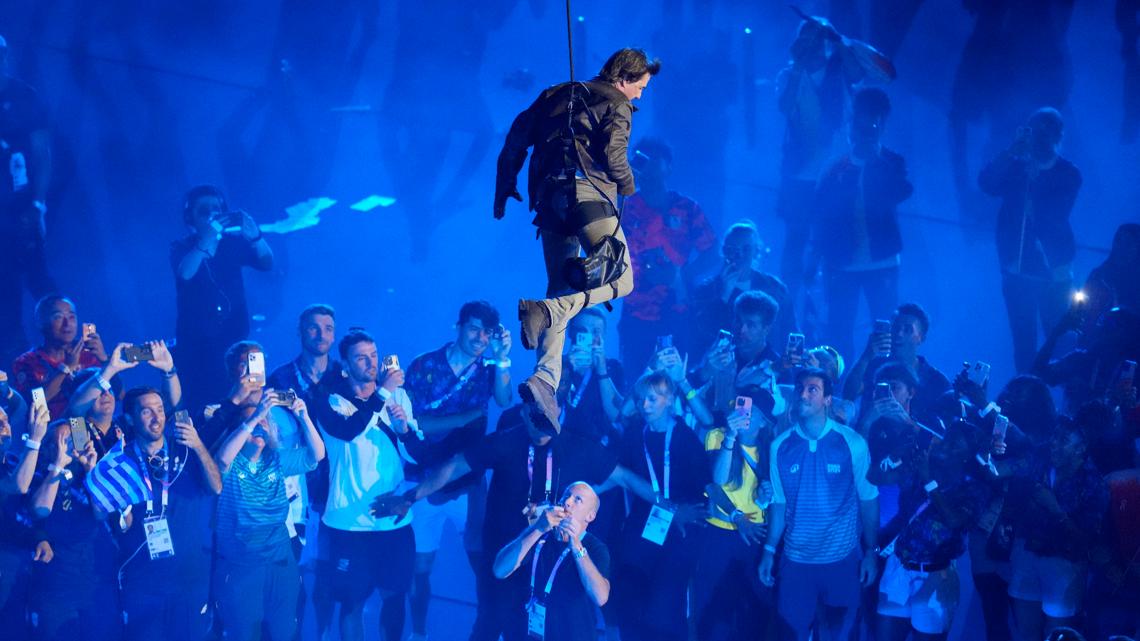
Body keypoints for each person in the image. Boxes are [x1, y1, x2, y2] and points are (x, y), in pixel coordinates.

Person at [372, 402, 655, 641]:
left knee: (556, 620)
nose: (542, 422)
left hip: (551, 557)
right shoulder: (507, 441)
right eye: (535, 415)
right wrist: (410, 497)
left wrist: (671, 508)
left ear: (558, 410)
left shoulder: (576, 446)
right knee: (491, 620)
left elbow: (625, 478)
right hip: (508, 548)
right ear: (523, 413)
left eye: (548, 414)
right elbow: (456, 465)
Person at [495, 47, 660, 435]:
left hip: (550, 202)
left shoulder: (556, 93)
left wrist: (504, 184)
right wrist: (632, 187)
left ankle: (544, 380)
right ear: (623, 78)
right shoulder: (617, 102)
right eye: (640, 86)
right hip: (588, 198)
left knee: (558, 290)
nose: (640, 95)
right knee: (624, 281)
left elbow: (517, 136)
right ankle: (585, 277)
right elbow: (615, 158)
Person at [402, 301, 512, 641]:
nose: (480, 338)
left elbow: (505, 399)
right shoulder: (425, 365)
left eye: (487, 333)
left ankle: (487, 629)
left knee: (481, 559)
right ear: (459, 326)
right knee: (421, 567)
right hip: (425, 476)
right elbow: (414, 421)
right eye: (474, 329)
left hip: (468, 481)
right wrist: (464, 419)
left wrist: (503, 356)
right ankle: (418, 633)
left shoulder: (489, 368)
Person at [308, 329, 422, 641]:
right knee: (351, 601)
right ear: (344, 365)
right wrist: (383, 392)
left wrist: (405, 432)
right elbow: (348, 432)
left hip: (393, 519)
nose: (371, 363)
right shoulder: (328, 401)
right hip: (349, 523)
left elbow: (415, 455)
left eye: (373, 355)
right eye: (361, 357)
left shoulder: (398, 395)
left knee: (395, 596)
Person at [84, 387, 222, 641]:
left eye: (160, 410)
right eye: (147, 411)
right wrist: (117, 507)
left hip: (190, 578)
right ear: (129, 418)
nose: (157, 418)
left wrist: (199, 446)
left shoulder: (185, 450)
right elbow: (107, 518)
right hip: (143, 581)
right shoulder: (119, 461)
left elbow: (216, 486)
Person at [776, 14, 894, 302]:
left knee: (834, 239)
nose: (811, 44)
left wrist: (839, 40)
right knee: (796, 238)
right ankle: (784, 305)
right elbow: (785, 107)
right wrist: (798, 67)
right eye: (805, 37)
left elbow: (869, 73)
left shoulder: (840, 70)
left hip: (837, 171)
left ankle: (831, 306)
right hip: (801, 173)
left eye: (817, 38)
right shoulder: (789, 74)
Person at [759, 368, 879, 641]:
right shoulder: (780, 446)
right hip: (796, 563)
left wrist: (871, 550)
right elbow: (779, 504)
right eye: (800, 388)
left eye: (812, 389)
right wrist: (768, 549)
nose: (803, 394)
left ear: (828, 399)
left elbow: (869, 501)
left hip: (842, 562)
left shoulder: (852, 443)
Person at [212, 388, 325, 641]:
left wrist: (304, 417)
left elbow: (316, 455)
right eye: (254, 422)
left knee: (285, 631)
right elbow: (221, 460)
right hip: (241, 564)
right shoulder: (230, 464)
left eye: (265, 422)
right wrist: (255, 416)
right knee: (245, 633)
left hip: (280, 561)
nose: (261, 426)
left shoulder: (276, 459)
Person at [810, 87, 912, 360]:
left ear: (883, 125)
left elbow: (900, 192)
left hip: (883, 263)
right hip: (841, 263)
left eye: (873, 123)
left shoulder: (892, 162)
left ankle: (885, 389)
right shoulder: (834, 167)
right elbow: (820, 216)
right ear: (850, 122)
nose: (865, 129)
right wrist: (814, 260)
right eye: (860, 122)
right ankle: (840, 392)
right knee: (838, 333)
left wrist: (875, 158)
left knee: (886, 333)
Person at [978, 107, 1081, 372]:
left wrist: (1033, 178)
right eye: (1035, 132)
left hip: (1053, 274)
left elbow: (1053, 215)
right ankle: (1023, 402)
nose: (1040, 139)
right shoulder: (1015, 167)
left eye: (1046, 133)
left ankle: (1061, 404)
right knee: (1023, 345)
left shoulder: (1068, 174)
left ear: (1058, 137)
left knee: (1059, 344)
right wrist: (1011, 151)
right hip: (1017, 272)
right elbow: (987, 184)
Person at [610, 373, 708, 641]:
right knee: (629, 593)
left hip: (681, 525)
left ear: (670, 401)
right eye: (641, 399)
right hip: (646, 521)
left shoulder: (685, 437)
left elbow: (706, 485)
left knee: (665, 607)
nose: (645, 405)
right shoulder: (634, 434)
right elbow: (616, 473)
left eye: (652, 399)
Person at [171, 184, 274, 410]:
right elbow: (185, 273)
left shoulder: (233, 244)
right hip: (197, 348)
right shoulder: (181, 247)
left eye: (216, 209)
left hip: (236, 337)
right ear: (190, 216)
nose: (212, 214)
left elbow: (268, 263)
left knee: (247, 400)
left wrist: (255, 236)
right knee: (204, 406)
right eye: (204, 210)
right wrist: (206, 239)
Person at [618, 136, 717, 370]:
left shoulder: (687, 208)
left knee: (676, 379)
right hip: (636, 313)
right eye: (643, 162)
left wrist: (680, 275)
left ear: (668, 168)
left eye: (655, 163)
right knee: (635, 382)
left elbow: (712, 252)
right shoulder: (627, 208)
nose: (649, 171)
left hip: (677, 311)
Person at [1005, 418, 1109, 641]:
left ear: (1081, 448)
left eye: (1063, 440)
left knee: (1057, 635)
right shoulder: (1040, 461)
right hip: (1027, 554)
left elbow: (1086, 540)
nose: (1054, 443)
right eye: (1054, 437)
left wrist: (1055, 509)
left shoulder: (1094, 483)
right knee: (1025, 632)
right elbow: (1005, 477)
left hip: (1064, 564)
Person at [693, 391, 777, 641]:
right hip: (719, 532)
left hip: (756, 534)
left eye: (749, 413)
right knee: (713, 608)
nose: (742, 416)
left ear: (763, 421)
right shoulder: (717, 436)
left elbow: (771, 501)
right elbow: (716, 482)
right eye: (739, 409)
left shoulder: (771, 449)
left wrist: (765, 497)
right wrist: (730, 436)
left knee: (752, 610)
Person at [27, 419, 116, 641]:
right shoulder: (38, 477)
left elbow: (101, 513)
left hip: (93, 582)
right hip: (56, 585)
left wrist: (90, 471)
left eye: (73, 441)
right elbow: (40, 510)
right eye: (63, 441)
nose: (70, 448)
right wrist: (58, 465)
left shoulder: (90, 476)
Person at [492, 482, 610, 641]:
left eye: (577, 500)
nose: (567, 502)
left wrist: (576, 545)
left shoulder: (595, 548)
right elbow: (499, 570)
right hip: (521, 633)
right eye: (566, 495)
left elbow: (601, 597)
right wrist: (538, 528)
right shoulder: (539, 532)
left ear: (590, 516)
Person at [0, 35, 55, 370]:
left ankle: (75, 352)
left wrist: (38, 205)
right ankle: (17, 368)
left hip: (19, 210)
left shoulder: (23, 97)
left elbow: (42, 153)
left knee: (37, 281)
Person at [691, 221, 796, 354]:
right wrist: (724, 295)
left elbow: (789, 331)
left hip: (769, 367)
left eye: (746, 249)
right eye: (732, 249)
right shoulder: (706, 290)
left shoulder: (775, 288)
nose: (739, 256)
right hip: (723, 366)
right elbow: (700, 332)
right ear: (724, 251)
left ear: (756, 251)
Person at [842, 302, 951, 428]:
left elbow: (946, 432)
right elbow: (848, 395)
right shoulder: (872, 366)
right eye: (895, 328)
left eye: (907, 330)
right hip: (867, 443)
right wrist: (867, 355)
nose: (899, 334)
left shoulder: (937, 382)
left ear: (921, 338)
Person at [0, 399, 52, 641]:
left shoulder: (13, 461)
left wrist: (39, 537)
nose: (5, 427)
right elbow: (17, 486)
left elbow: (30, 506)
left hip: (19, 563)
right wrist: (35, 440)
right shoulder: (18, 468)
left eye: (6, 422)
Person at [11, 296, 107, 418]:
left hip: (96, 428)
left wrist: (105, 360)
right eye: (58, 317)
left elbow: (119, 395)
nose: (67, 324)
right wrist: (66, 368)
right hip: (55, 430)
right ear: (41, 323)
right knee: (76, 427)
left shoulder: (89, 352)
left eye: (71, 317)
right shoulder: (26, 362)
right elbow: (36, 403)